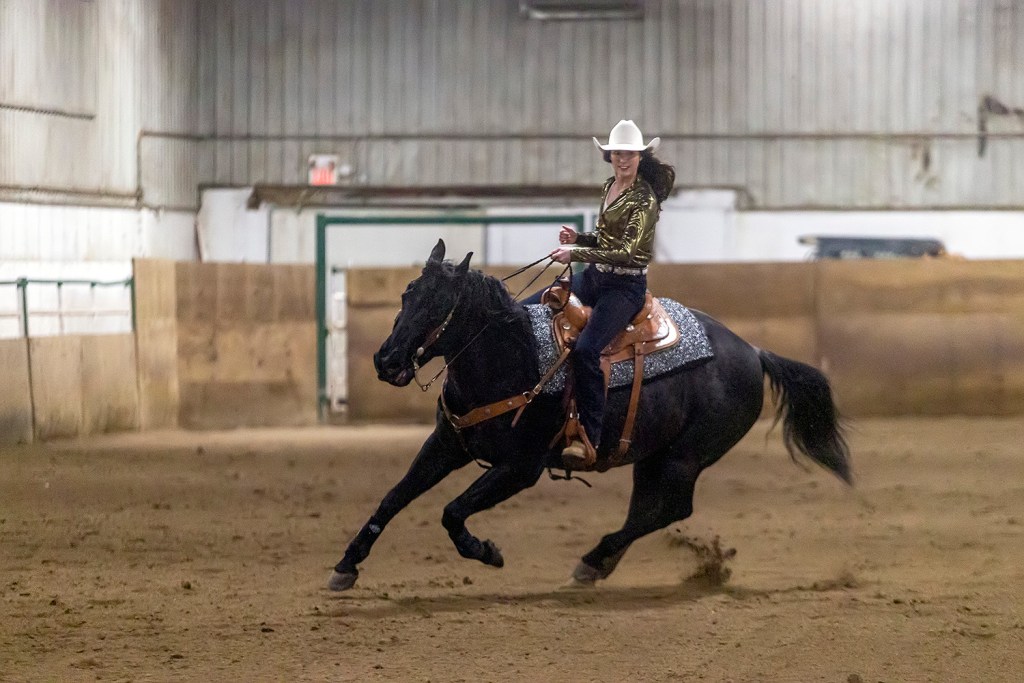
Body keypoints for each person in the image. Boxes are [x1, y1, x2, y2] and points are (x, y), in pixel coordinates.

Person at [544, 120, 675, 469]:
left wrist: (576, 254)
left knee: (587, 350)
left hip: (625, 287)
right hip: (597, 277)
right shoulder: (610, 186)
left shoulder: (644, 198)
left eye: (629, 153)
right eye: (617, 152)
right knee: (541, 305)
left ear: (639, 157)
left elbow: (627, 252)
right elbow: (607, 239)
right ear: (610, 156)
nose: (622, 159)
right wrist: (580, 239)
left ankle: (591, 435)